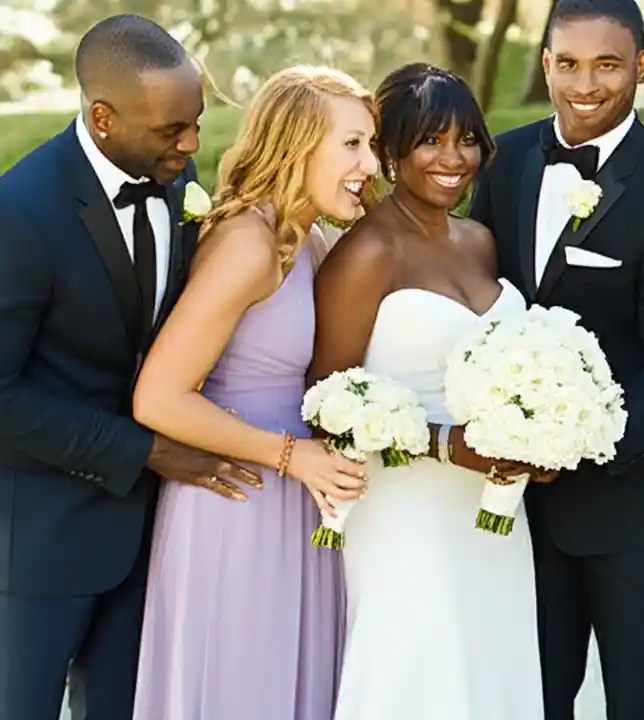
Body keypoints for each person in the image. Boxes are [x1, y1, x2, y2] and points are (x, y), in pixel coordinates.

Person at [468, 1, 644, 717]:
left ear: (642, 68)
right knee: (528, 697)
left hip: (633, 511)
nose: (585, 84)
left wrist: (572, 443)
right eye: (569, 64)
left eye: (608, 65)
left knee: (639, 703)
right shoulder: (508, 162)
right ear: (547, 63)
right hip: (513, 509)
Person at [0, 15, 264, 719]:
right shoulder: (20, 213)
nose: (191, 145)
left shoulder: (176, 177)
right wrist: (147, 449)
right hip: (41, 544)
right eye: (170, 131)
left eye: (196, 124)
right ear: (103, 117)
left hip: (154, 538)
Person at [129, 64, 374, 720]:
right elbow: (158, 398)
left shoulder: (312, 238)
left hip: (295, 500)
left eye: (370, 145)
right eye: (352, 144)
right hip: (235, 503)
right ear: (297, 144)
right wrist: (293, 457)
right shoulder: (248, 243)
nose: (370, 164)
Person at [308, 62, 546, 720]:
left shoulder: (479, 243)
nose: (453, 158)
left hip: (495, 510)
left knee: (491, 671)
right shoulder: (367, 254)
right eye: (429, 141)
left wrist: (543, 428)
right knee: (420, 674)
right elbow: (326, 404)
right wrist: (444, 444)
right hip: (404, 510)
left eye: (466, 138)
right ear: (390, 151)